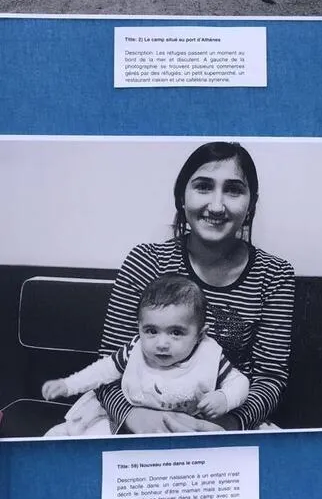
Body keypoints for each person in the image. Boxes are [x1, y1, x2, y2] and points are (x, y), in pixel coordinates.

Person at [95, 141, 295, 435]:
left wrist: (226, 425)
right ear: (181, 196)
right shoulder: (146, 261)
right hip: (138, 417)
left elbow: (270, 378)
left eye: (233, 190)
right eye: (203, 187)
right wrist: (136, 419)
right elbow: (107, 367)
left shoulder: (274, 275)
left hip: (229, 422)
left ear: (251, 203)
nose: (216, 206)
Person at [41, 275, 249, 436]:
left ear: (200, 334)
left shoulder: (209, 356)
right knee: (93, 440)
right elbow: (103, 370)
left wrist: (225, 397)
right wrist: (69, 385)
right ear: (139, 328)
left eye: (176, 333)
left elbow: (239, 382)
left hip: (185, 425)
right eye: (151, 331)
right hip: (125, 419)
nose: (161, 344)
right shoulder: (135, 350)